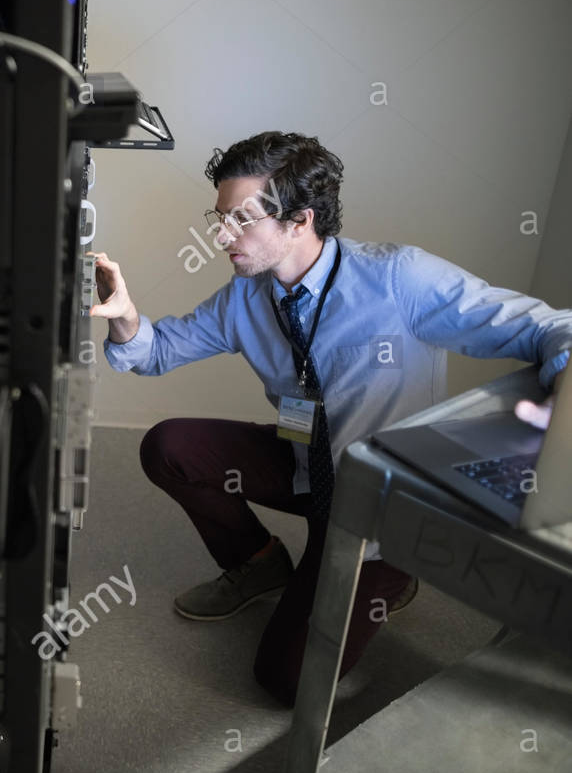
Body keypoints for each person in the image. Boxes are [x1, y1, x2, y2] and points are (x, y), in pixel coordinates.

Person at [90, 130, 571, 706]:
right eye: (219, 218)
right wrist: (123, 315)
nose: (221, 236)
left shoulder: (400, 279)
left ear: (300, 220)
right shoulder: (246, 298)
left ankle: (394, 576)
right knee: (170, 445)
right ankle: (260, 563)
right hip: (307, 469)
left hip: (384, 514)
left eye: (241, 220)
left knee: (284, 680)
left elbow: (544, 325)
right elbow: (157, 350)